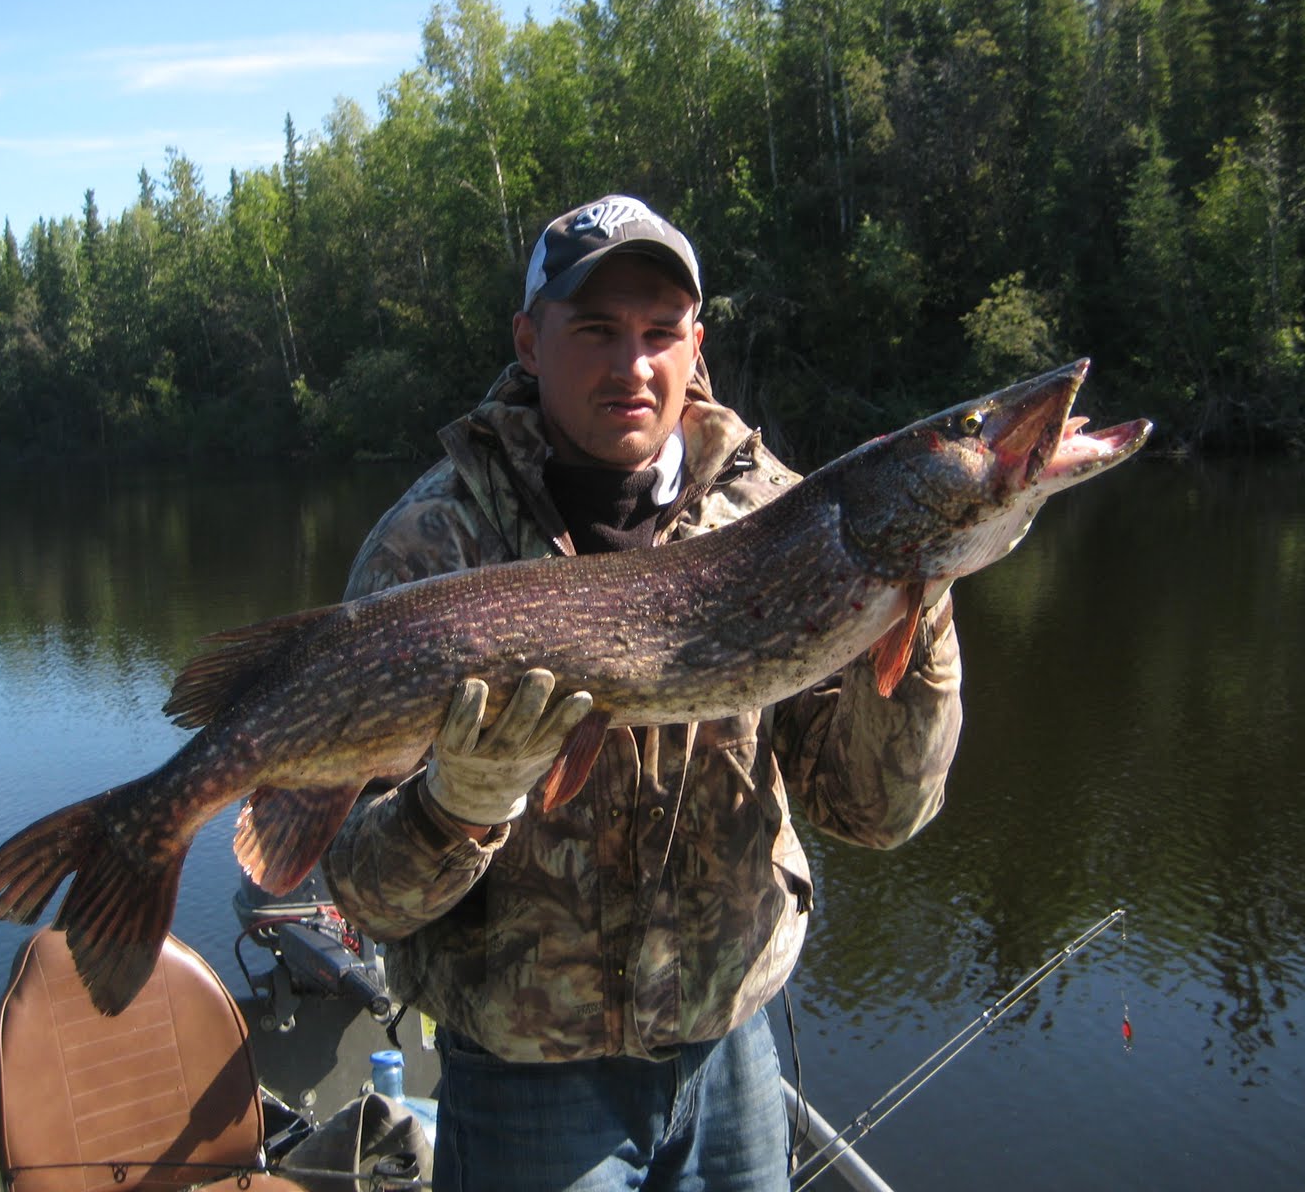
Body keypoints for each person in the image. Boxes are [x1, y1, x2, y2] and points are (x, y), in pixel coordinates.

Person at [322, 194, 965, 1192]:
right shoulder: (428, 551)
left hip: (732, 1050)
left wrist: (916, 608)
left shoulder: (783, 519)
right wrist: (455, 807)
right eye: (594, 331)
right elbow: (363, 893)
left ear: (695, 345)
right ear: (529, 342)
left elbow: (876, 812)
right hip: (529, 1082)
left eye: (660, 333)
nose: (633, 366)